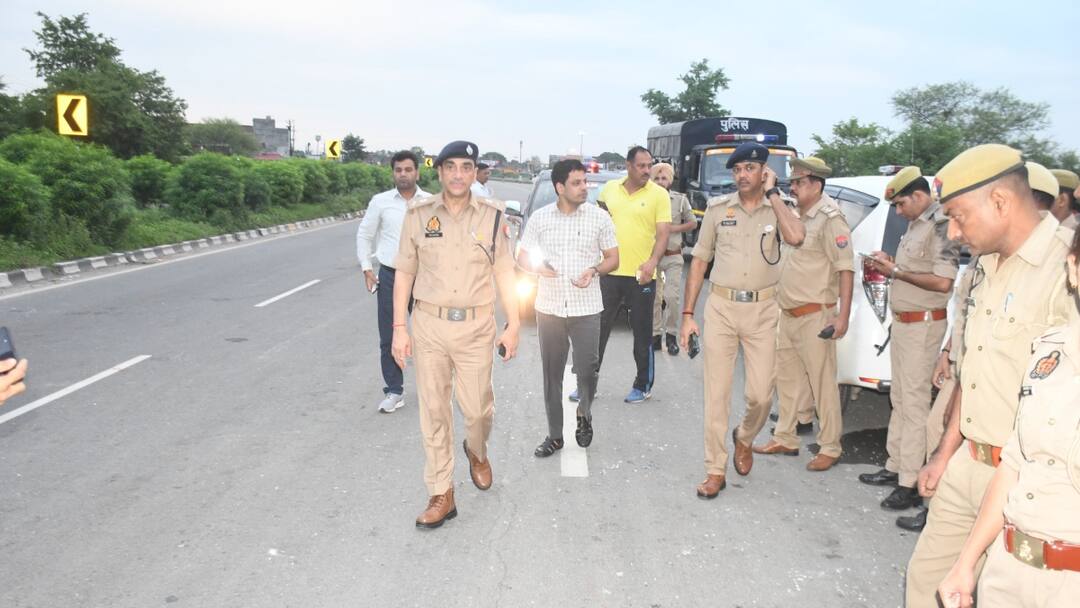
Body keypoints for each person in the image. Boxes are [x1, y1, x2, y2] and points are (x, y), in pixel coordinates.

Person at [905, 144, 1073, 606]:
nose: (953, 233)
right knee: (926, 584)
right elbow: (974, 369)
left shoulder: (1066, 270)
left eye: (958, 216)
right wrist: (945, 451)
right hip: (969, 463)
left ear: (1000, 201)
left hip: (1029, 485)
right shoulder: (984, 264)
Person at [937, 229, 1080, 607]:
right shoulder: (1048, 354)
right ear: (1074, 269)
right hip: (1009, 572)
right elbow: (1015, 466)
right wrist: (966, 564)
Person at [390, 140, 520, 530]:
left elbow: (505, 272)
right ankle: (441, 492)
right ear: (440, 172)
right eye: (451, 167)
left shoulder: (494, 216)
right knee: (433, 411)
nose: (459, 174)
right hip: (428, 323)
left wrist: (513, 322)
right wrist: (400, 327)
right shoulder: (418, 215)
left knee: (477, 409)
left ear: (474, 171)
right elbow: (405, 272)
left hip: (477, 326)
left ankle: (476, 451)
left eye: (467, 167)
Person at [680, 141, 805, 498]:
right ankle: (715, 469)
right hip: (721, 307)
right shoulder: (720, 210)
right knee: (716, 396)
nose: (741, 175)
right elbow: (700, 262)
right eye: (736, 170)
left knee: (761, 395)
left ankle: (745, 436)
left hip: (763, 311)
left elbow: (796, 236)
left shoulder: (780, 210)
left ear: (764, 172)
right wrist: (688, 315)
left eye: (749, 169)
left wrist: (776, 196)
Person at [859, 166, 961, 512]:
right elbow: (913, 270)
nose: (898, 212)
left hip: (924, 326)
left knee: (914, 404)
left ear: (919, 196)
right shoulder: (916, 225)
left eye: (901, 205)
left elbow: (943, 283)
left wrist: (896, 272)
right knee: (900, 399)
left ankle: (910, 482)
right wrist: (891, 262)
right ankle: (895, 466)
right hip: (904, 324)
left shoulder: (941, 225)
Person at [754, 157, 853, 472]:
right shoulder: (798, 216)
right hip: (790, 313)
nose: (793, 187)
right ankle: (786, 437)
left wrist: (842, 318)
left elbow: (846, 270)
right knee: (788, 381)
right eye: (791, 182)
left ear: (815, 184)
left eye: (797, 183)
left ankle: (830, 446)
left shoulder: (830, 219)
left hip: (816, 315)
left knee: (823, 384)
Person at [518, 159, 619, 457]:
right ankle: (555, 436)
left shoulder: (599, 218)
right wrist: (537, 268)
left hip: (586, 307)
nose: (584, 187)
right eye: (577, 183)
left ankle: (584, 413)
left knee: (587, 369)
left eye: (585, 182)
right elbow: (522, 257)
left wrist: (595, 270)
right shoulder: (540, 218)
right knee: (552, 374)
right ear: (560, 187)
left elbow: (614, 258)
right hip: (549, 307)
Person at [592, 146, 671, 404]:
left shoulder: (659, 195)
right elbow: (597, 225)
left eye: (650, 165)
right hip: (610, 272)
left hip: (642, 276)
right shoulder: (609, 190)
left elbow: (663, 235)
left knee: (642, 333)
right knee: (597, 330)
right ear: (628, 166)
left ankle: (642, 384)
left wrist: (652, 262)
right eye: (642, 166)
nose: (647, 171)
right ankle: (587, 381)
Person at [355, 150, 430, 413]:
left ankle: (434, 388)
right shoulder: (381, 202)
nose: (403, 174)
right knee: (389, 336)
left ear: (417, 172)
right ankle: (394, 390)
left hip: (424, 278)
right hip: (390, 275)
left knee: (428, 336)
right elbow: (364, 235)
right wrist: (366, 267)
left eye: (408, 169)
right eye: (398, 170)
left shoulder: (430, 203)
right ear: (393, 173)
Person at [649, 162, 696, 356]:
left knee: (671, 296)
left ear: (670, 180)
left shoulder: (680, 200)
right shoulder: (647, 200)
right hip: (652, 257)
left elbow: (692, 223)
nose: (661, 182)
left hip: (673, 255)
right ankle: (655, 335)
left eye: (664, 178)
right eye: (657, 178)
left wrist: (671, 229)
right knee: (654, 298)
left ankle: (671, 334)